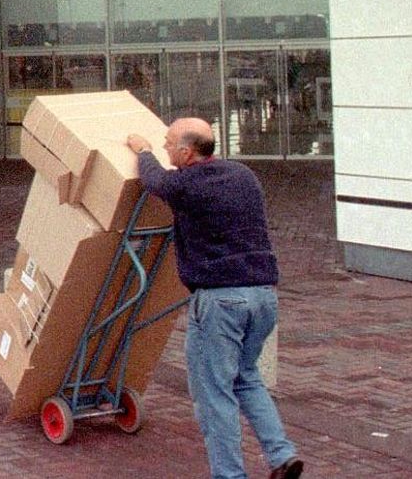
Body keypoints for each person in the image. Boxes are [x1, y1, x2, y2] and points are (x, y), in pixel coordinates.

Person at [127, 117, 302, 479]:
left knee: (213, 394)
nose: (163, 147)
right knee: (246, 377)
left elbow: (156, 181)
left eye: (168, 143)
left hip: (222, 302)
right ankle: (281, 455)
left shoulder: (189, 183)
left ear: (186, 152)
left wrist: (142, 151)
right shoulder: (243, 175)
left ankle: (229, 475)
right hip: (263, 296)